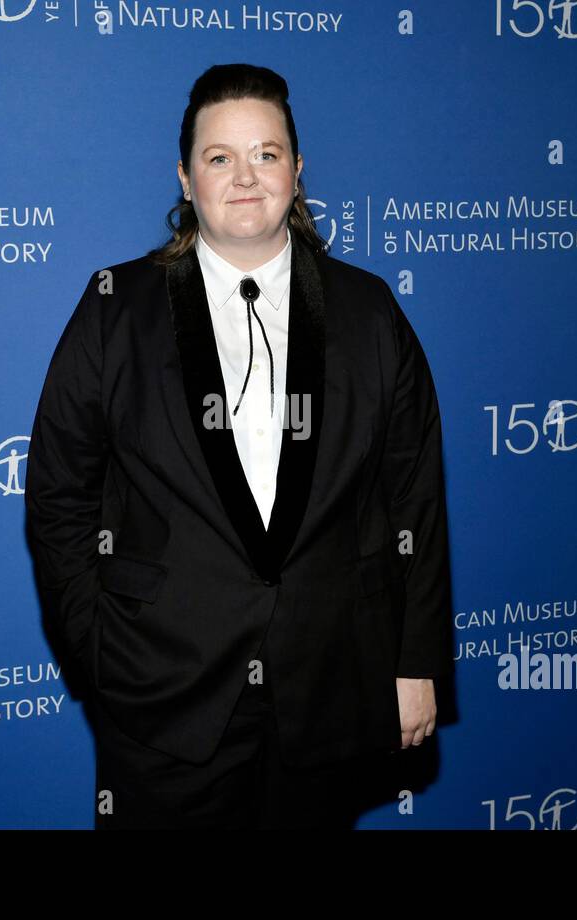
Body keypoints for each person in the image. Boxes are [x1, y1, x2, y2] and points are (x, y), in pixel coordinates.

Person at [25, 63, 454, 829]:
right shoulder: (114, 310)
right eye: (220, 157)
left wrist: (414, 663)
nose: (245, 176)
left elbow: (414, 496)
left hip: (327, 689)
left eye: (266, 153)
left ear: (297, 171)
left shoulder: (368, 310)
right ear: (186, 179)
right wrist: (100, 653)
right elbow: (59, 495)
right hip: (162, 697)